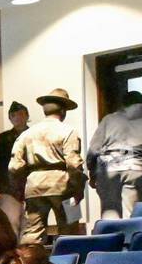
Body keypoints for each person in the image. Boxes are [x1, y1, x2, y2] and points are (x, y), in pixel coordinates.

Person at [9, 88, 86, 245]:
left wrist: (20, 188)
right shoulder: (68, 131)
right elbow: (73, 164)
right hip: (65, 187)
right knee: (70, 233)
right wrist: (78, 188)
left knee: (32, 235)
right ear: (63, 110)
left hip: (34, 187)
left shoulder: (26, 134)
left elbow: (14, 167)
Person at [87, 90, 142, 219]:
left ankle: (110, 237)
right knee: (134, 217)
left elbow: (93, 150)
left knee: (110, 218)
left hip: (108, 170)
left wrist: (92, 173)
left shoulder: (109, 120)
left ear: (123, 105)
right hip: (136, 170)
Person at [0, 101, 30, 235]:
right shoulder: (3, 138)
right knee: (12, 221)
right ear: (10, 118)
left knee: (31, 223)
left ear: (27, 116)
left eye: (21, 114)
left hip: (31, 183)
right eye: (14, 115)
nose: (18, 117)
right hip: (9, 185)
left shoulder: (34, 134)